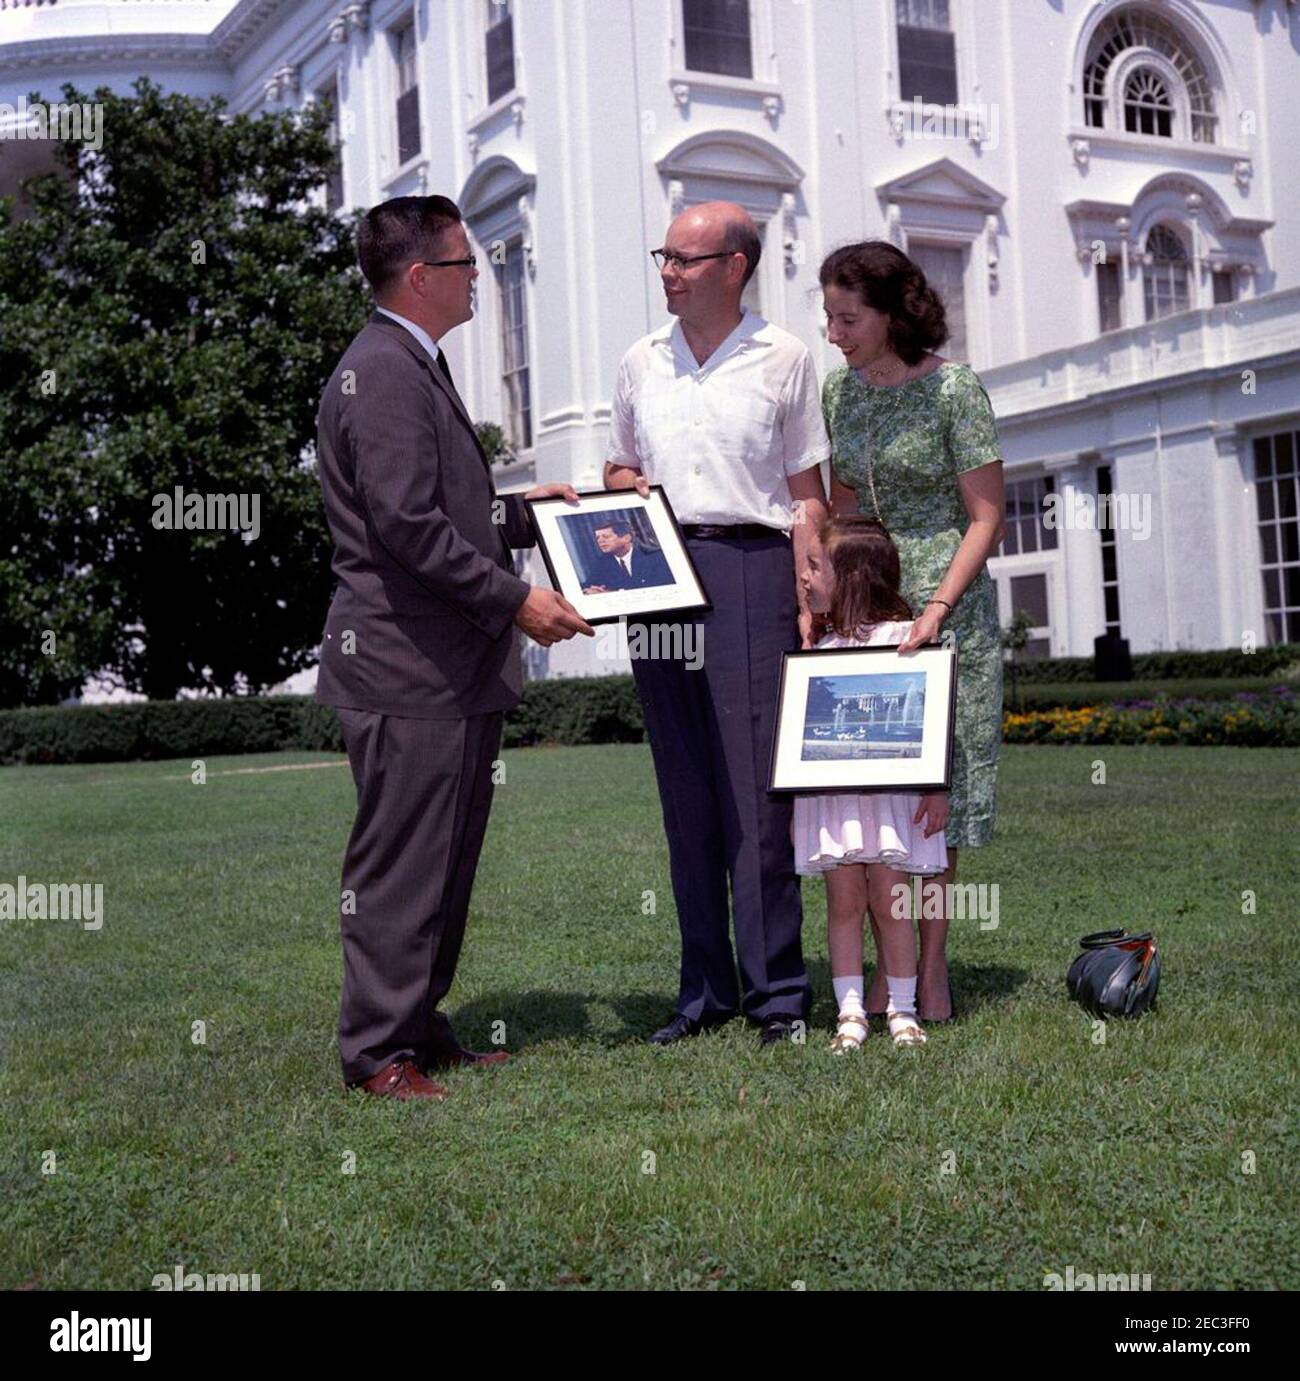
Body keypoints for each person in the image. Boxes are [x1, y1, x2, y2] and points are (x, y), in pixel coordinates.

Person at [315, 195, 592, 1101]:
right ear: (422, 277)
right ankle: (377, 1053)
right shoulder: (386, 371)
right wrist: (520, 603)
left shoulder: (408, 363)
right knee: (402, 865)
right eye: (468, 265)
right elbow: (405, 529)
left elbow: (445, 517)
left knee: (443, 860)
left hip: (442, 671)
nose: (480, 278)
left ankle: (418, 1027)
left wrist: (528, 514)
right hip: (406, 669)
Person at [604, 200, 831, 1046]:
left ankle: (777, 995)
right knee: (686, 791)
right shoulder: (639, 360)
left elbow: (807, 494)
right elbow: (621, 460)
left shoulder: (786, 358)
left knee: (757, 794)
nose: (668, 271)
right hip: (658, 573)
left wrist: (813, 583)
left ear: (735, 267)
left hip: (750, 571)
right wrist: (622, 487)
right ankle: (703, 993)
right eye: (663, 256)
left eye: (685, 260)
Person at [820, 240, 1006, 1024]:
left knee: (940, 804)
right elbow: (839, 509)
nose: (834, 332)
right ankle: (877, 978)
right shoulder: (838, 393)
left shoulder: (955, 390)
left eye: (849, 317)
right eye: (827, 316)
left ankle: (932, 966)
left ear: (896, 313)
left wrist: (934, 608)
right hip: (870, 612)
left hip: (949, 612)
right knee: (875, 793)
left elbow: (987, 514)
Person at [796, 516, 950, 1049]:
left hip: (891, 802)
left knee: (892, 903)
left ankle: (902, 1011)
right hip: (834, 801)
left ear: (852, 580)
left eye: (815, 567)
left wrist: (936, 787)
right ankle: (851, 1013)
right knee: (842, 904)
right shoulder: (818, 654)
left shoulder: (904, 645)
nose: (805, 578)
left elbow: (930, 725)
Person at [581, 519, 672, 592]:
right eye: (598, 538)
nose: (600, 541)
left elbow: (658, 588)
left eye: (606, 537)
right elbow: (589, 585)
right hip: (624, 615)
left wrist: (611, 594)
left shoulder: (655, 556)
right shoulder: (603, 562)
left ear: (626, 538)